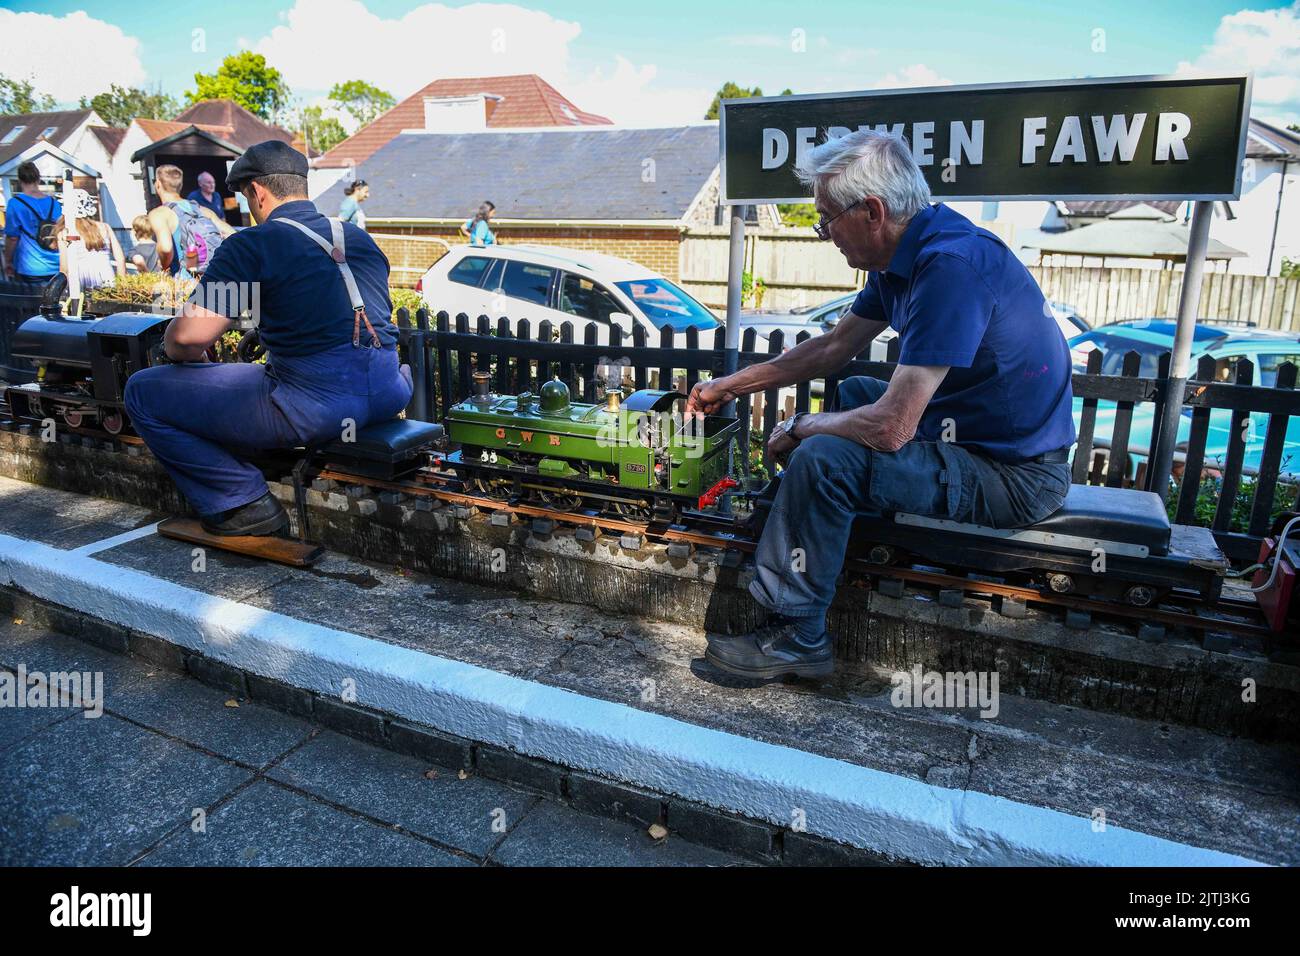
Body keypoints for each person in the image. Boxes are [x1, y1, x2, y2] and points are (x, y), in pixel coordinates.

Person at [689, 130, 1075, 680]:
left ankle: (797, 634)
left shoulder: (950, 268)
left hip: (1015, 476)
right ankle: (812, 533)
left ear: (871, 211)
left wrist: (800, 426)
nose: (824, 234)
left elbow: (893, 429)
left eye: (826, 219)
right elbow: (831, 348)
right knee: (852, 395)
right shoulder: (903, 256)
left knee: (826, 458)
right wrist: (731, 385)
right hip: (968, 435)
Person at [124, 140, 412, 537]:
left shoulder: (252, 245)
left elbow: (188, 339)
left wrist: (173, 346)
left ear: (257, 192)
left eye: (246, 198)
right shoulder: (358, 238)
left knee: (142, 391)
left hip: (314, 407)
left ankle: (242, 503)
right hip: (389, 391)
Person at [147, 164, 234, 276]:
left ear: (157, 184)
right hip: (215, 278)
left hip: (185, 284)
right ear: (181, 185)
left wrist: (163, 268)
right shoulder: (203, 210)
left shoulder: (159, 213)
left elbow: (165, 248)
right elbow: (233, 235)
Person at [3, 161, 62, 283]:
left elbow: (12, 238)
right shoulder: (54, 203)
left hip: (29, 267)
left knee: (31, 301)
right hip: (56, 264)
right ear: (38, 178)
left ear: (20, 180)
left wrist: (7, 261)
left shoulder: (15, 204)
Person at [55, 189, 125, 290]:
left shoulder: (65, 233)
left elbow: (64, 268)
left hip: (80, 282)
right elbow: (120, 259)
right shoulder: (105, 227)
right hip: (107, 278)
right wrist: (121, 286)